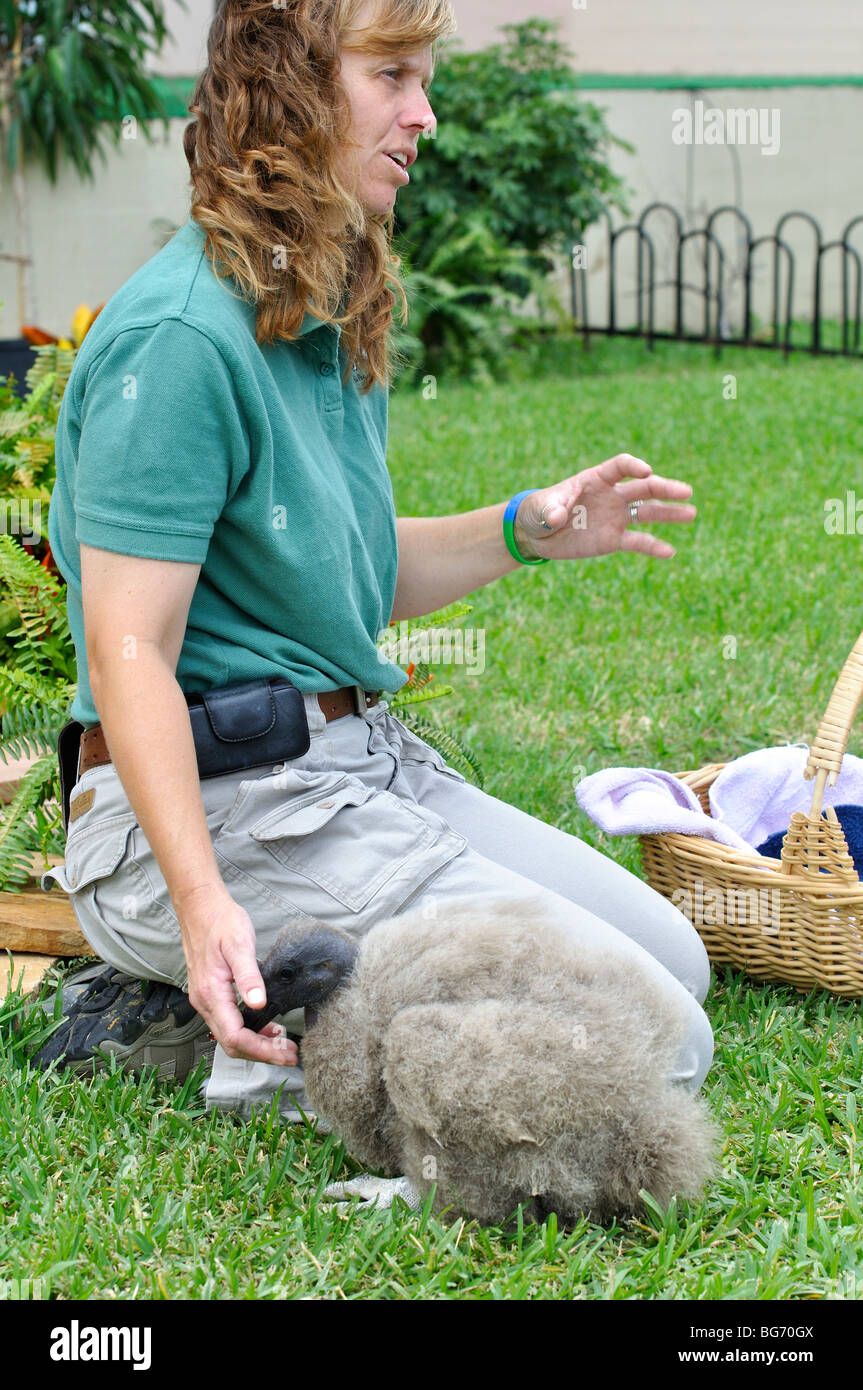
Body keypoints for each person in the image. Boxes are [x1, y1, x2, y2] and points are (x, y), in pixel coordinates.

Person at [40, 0, 714, 1121]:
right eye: (393, 75)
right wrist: (207, 911)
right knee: (652, 1046)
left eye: (423, 78)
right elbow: (129, 654)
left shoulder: (318, 306)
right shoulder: (177, 342)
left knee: (672, 965)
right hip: (208, 816)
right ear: (291, 87)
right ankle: (230, 1007)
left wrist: (523, 528)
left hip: (350, 773)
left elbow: (343, 581)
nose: (425, 114)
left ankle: (240, 1014)